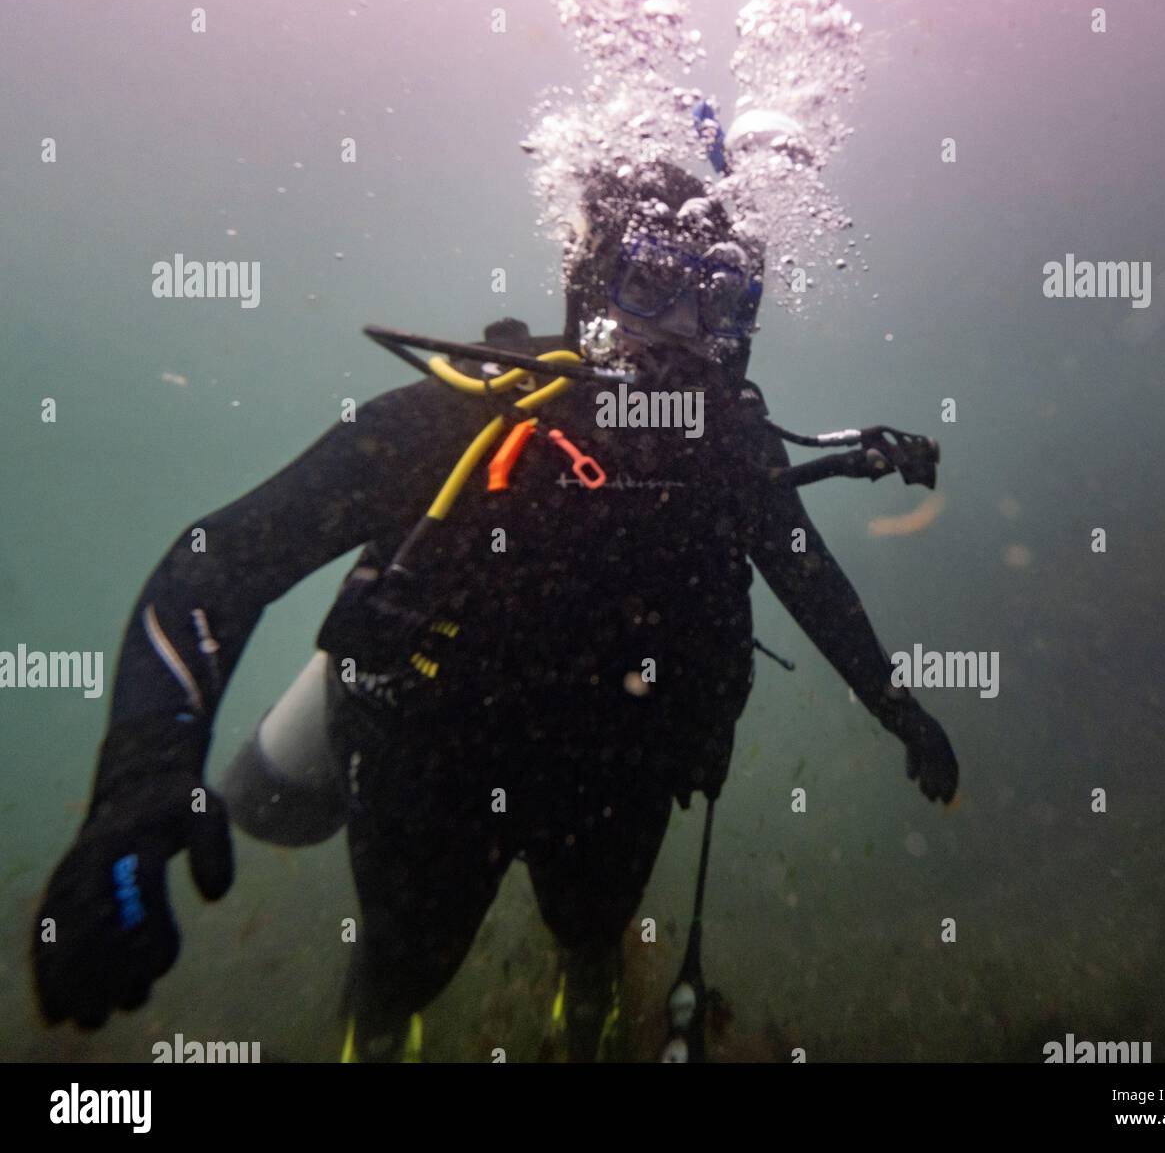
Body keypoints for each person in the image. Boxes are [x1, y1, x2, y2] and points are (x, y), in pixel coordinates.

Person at [31, 160, 958, 1061]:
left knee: (592, 939)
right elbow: (218, 563)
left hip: (618, 779)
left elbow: (810, 578)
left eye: (721, 298)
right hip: (427, 768)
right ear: (588, 289)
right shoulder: (452, 428)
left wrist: (895, 705)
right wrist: (138, 781)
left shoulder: (732, 459)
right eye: (650, 284)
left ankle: (584, 1015)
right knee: (399, 973)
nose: (681, 333)